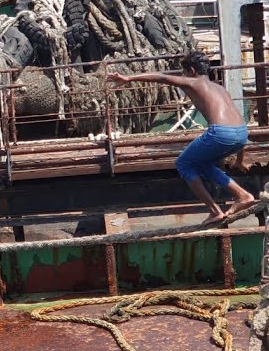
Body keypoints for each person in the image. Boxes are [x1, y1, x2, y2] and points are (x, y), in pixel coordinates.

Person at [108, 51, 255, 225]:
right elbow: (237, 128)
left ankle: (215, 211)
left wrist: (128, 79)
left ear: (191, 71)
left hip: (220, 133)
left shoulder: (194, 82)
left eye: (183, 72)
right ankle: (243, 195)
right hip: (241, 133)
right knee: (203, 165)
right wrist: (239, 160)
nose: (183, 76)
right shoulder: (220, 88)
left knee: (183, 164)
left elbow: (162, 78)